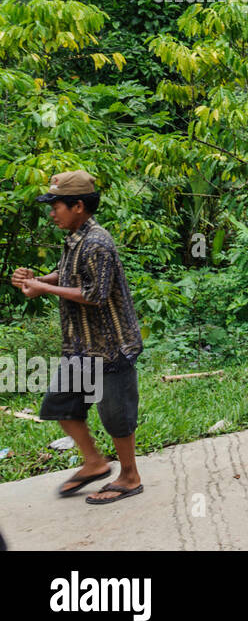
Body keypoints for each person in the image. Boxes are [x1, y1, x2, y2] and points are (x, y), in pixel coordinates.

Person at [11, 171, 145, 504]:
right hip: (82, 344)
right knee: (61, 405)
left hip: (111, 345)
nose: (52, 213)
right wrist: (39, 280)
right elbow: (69, 275)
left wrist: (43, 287)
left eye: (56, 206)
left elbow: (95, 293)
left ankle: (129, 476)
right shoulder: (74, 238)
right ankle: (94, 463)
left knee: (116, 416)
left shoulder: (97, 242)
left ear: (79, 206)